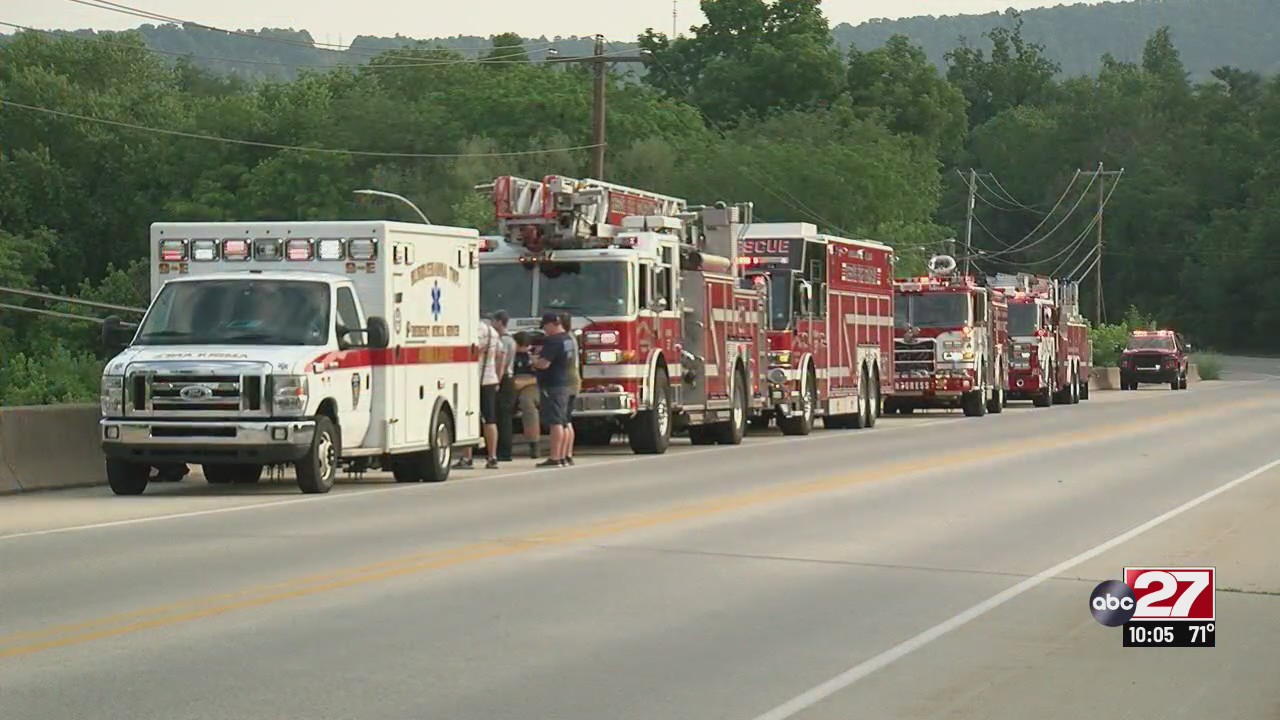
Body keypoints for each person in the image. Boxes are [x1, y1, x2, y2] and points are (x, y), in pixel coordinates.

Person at [455, 314, 502, 470]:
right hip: (490, 378)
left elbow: (474, 353)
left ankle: (467, 457)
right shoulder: (492, 331)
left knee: (469, 417)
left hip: (473, 379)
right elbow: (500, 353)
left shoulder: (472, 330)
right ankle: (492, 456)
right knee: (490, 419)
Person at [531, 312, 572, 468]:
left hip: (553, 384)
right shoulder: (567, 339)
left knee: (555, 423)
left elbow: (544, 364)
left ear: (553, 324)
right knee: (563, 421)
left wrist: (534, 361)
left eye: (546, 326)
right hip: (564, 382)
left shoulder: (554, 341)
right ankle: (563, 456)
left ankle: (555, 457)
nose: (545, 330)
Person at [491, 310, 518, 462]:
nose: (492, 324)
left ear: (500, 322)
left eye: (493, 321)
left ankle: (505, 451)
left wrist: (497, 381)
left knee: (503, 417)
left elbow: (502, 363)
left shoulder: (504, 341)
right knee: (502, 416)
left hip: (504, 379)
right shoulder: (509, 340)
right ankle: (502, 449)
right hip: (506, 379)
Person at [511, 331, 542, 459]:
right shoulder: (509, 355)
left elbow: (541, 377)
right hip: (511, 383)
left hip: (531, 384)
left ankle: (534, 444)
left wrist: (524, 382)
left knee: (527, 402)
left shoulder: (534, 356)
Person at [559, 312, 580, 467]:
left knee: (564, 421)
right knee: (567, 420)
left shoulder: (566, 340)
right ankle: (567, 454)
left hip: (567, 382)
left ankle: (563, 454)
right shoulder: (572, 338)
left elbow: (562, 361)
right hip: (573, 381)